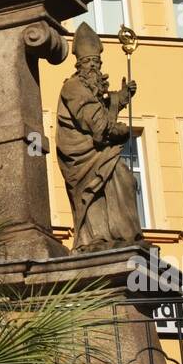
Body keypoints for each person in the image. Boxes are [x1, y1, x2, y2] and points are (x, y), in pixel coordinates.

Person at [56, 23, 142, 251]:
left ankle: (123, 237)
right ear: (80, 65)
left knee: (123, 180)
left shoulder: (90, 89)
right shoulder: (73, 88)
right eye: (90, 63)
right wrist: (119, 130)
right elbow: (97, 123)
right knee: (114, 180)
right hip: (81, 156)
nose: (95, 67)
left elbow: (100, 106)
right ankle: (99, 239)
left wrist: (120, 98)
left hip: (97, 151)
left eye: (97, 63)